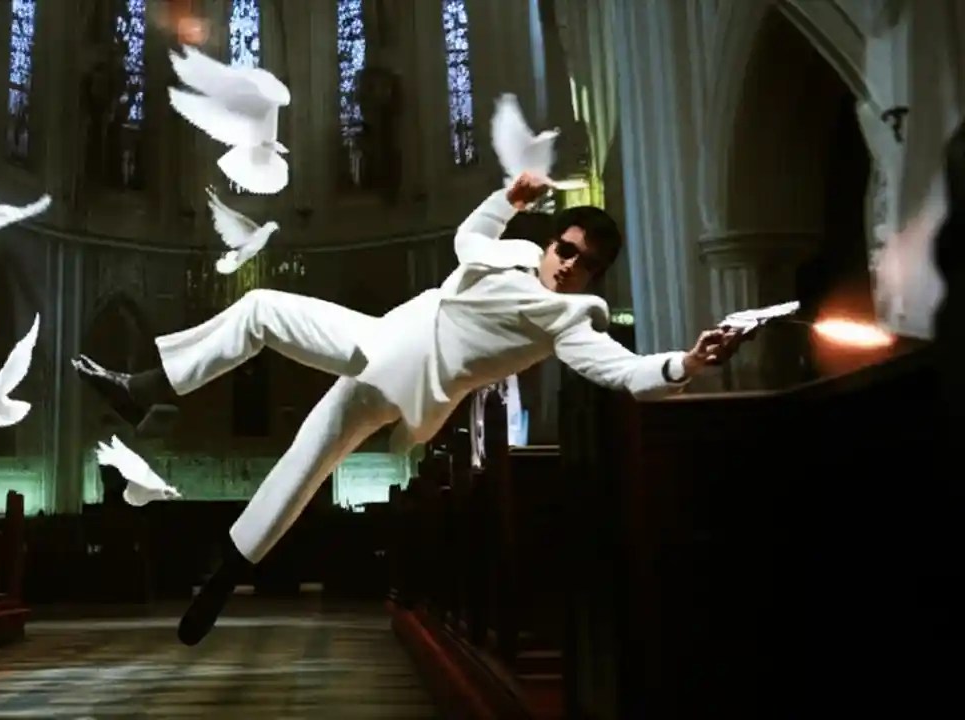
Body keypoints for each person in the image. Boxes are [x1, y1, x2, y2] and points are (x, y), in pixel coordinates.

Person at [72, 172, 748, 646]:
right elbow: (464, 244)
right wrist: (505, 199)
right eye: (564, 249)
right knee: (303, 457)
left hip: (400, 368)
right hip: (386, 342)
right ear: (551, 243)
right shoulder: (514, 251)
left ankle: (143, 391)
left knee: (263, 310)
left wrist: (686, 363)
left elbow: (625, 373)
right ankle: (224, 575)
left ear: (596, 278)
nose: (568, 266)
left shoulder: (573, 318)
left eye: (585, 264)